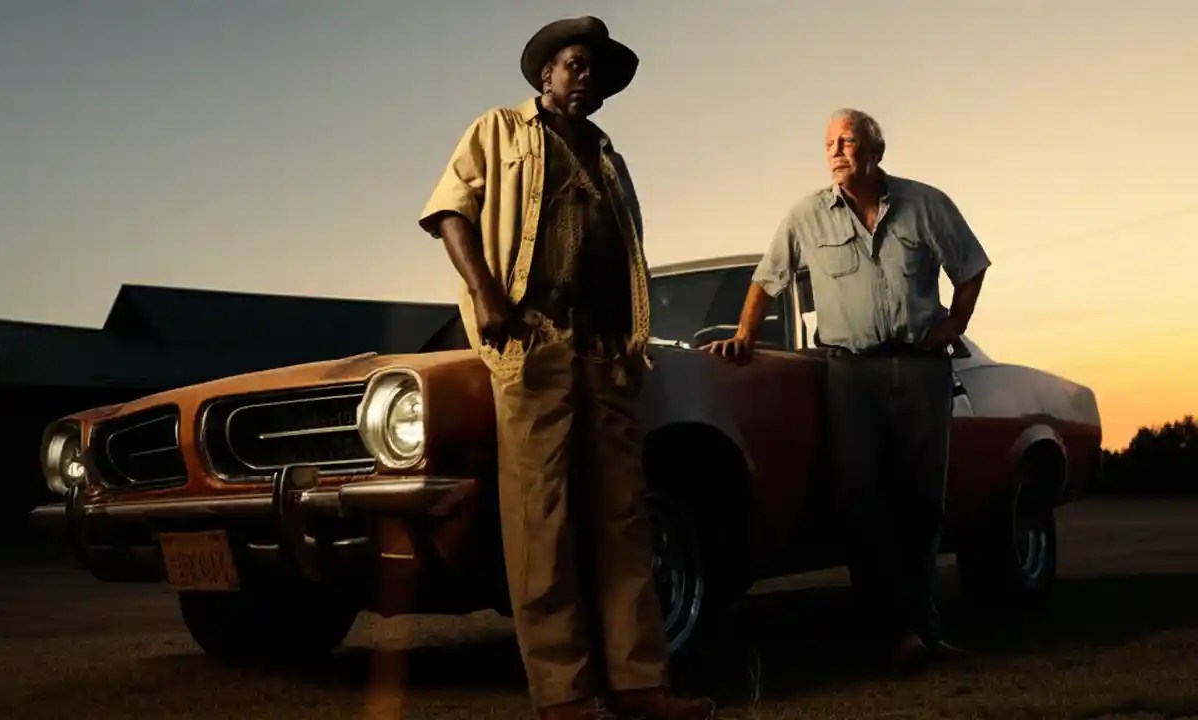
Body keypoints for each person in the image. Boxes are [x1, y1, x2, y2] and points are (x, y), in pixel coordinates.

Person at [417, 15, 715, 720]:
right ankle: (565, 693)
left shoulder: (610, 156)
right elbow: (451, 210)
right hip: (535, 343)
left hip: (609, 352)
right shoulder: (499, 131)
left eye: (595, 70)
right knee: (542, 520)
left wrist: (634, 342)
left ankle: (641, 682)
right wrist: (487, 296)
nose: (585, 77)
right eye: (574, 64)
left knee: (622, 518)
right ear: (545, 74)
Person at [705, 108, 990, 671]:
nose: (836, 151)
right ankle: (893, 635)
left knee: (922, 504)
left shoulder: (925, 203)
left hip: (922, 369)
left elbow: (972, 266)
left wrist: (954, 325)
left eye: (848, 140)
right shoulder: (806, 216)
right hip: (849, 375)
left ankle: (926, 631)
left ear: (876, 150)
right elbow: (767, 280)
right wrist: (742, 335)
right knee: (863, 503)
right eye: (828, 143)